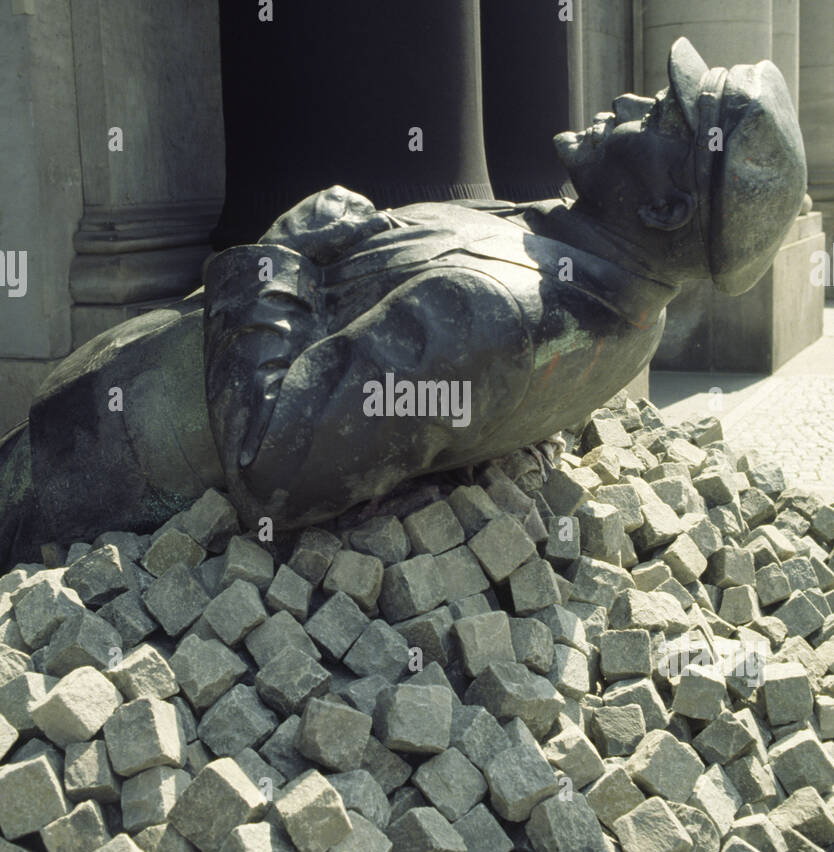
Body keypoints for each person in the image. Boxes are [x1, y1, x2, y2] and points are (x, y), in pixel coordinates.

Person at [0, 38, 806, 565]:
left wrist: (277, 252)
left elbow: (274, 461)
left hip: (94, 468)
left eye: (660, 117)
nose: (628, 104)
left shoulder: (490, 311)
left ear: (666, 209)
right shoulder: (614, 283)